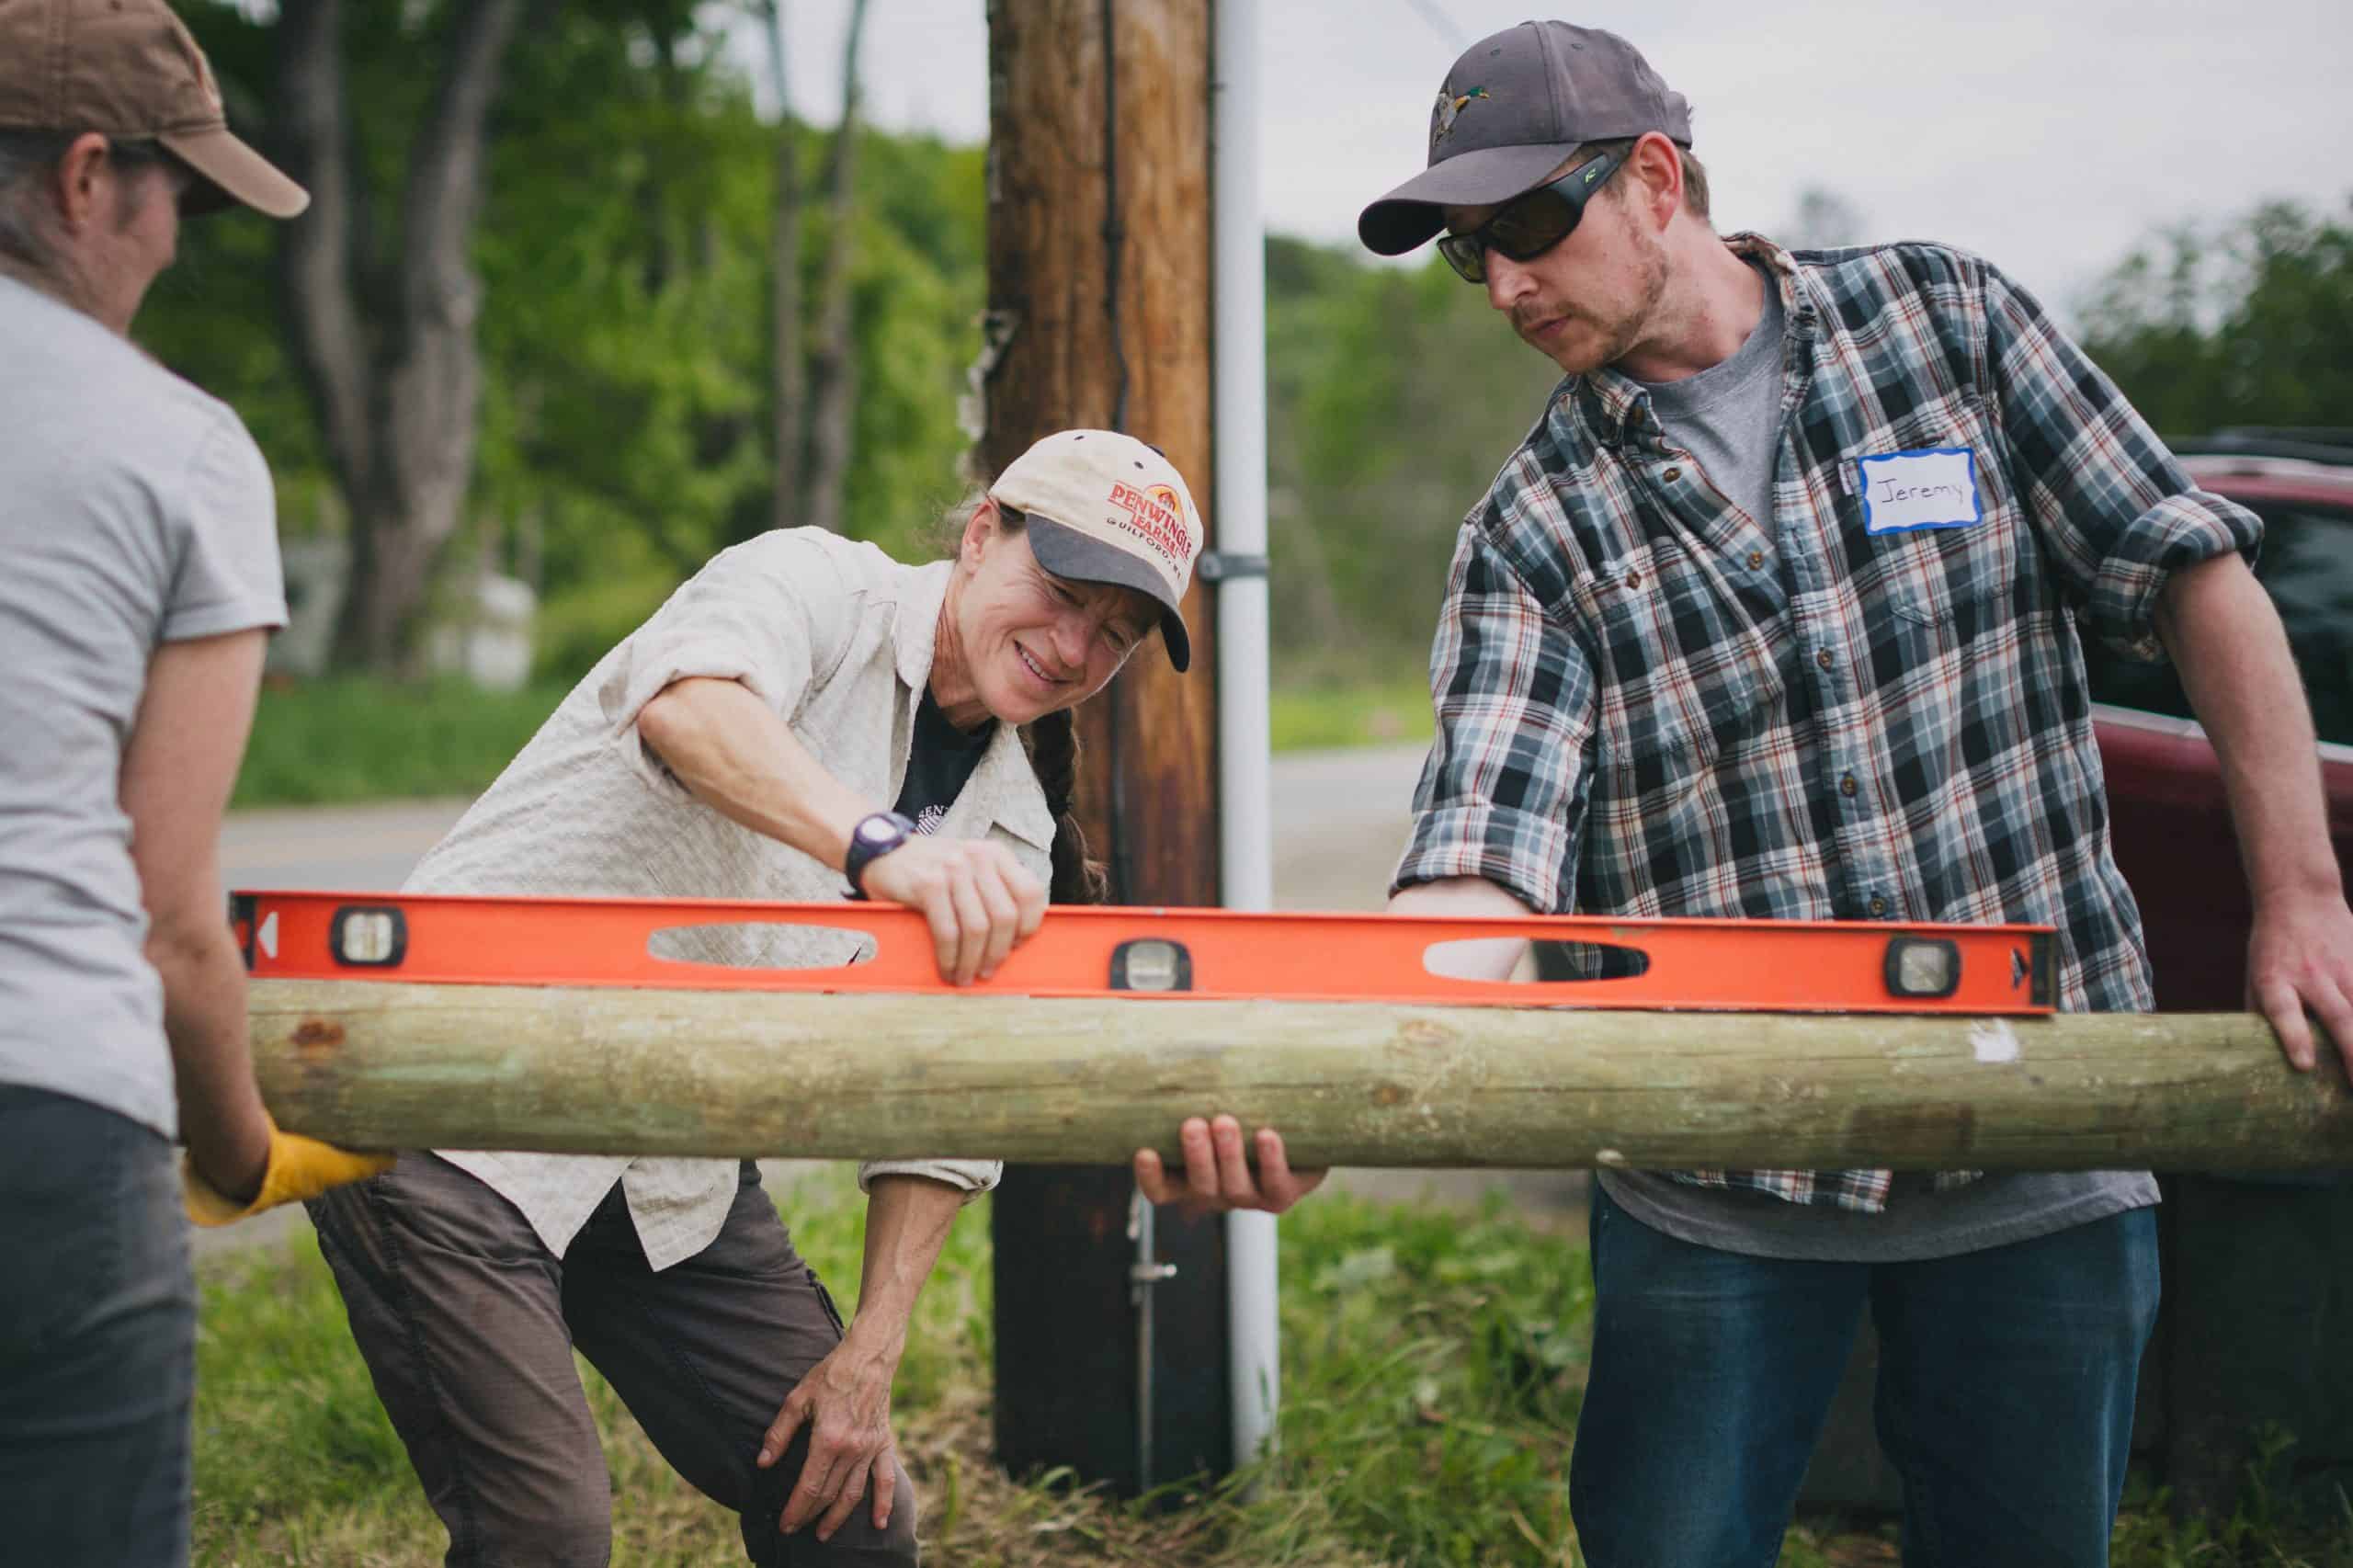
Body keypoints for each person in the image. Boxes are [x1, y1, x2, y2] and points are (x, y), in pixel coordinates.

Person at [1355, 20, 2353, 1566]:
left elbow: (2195, 573)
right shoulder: (1531, 530)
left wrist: (2302, 897)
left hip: (2041, 1138)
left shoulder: (1946, 323)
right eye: (1466, 255)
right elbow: (1484, 852)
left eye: (1527, 229)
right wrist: (1340, 1060)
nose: (1500, 286)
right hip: (1721, 1198)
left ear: (1658, 178)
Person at [308, 429, 1236, 1565]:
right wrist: (878, 846)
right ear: (984, 531)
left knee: (854, 1515)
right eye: (1061, 592)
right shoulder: (815, 586)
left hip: (661, 1158)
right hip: (451, 1098)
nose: (1074, 645)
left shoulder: (1013, 822)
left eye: (1117, 633)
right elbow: (688, 706)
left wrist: (871, 1354)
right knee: (545, 1535)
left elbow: (947, 1106)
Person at [0, 3, 390, 1564]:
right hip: (43, 1116)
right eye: (182, 202)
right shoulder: (178, 448)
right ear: (88, 179)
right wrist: (241, 1151)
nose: (175, 246)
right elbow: (171, 919)